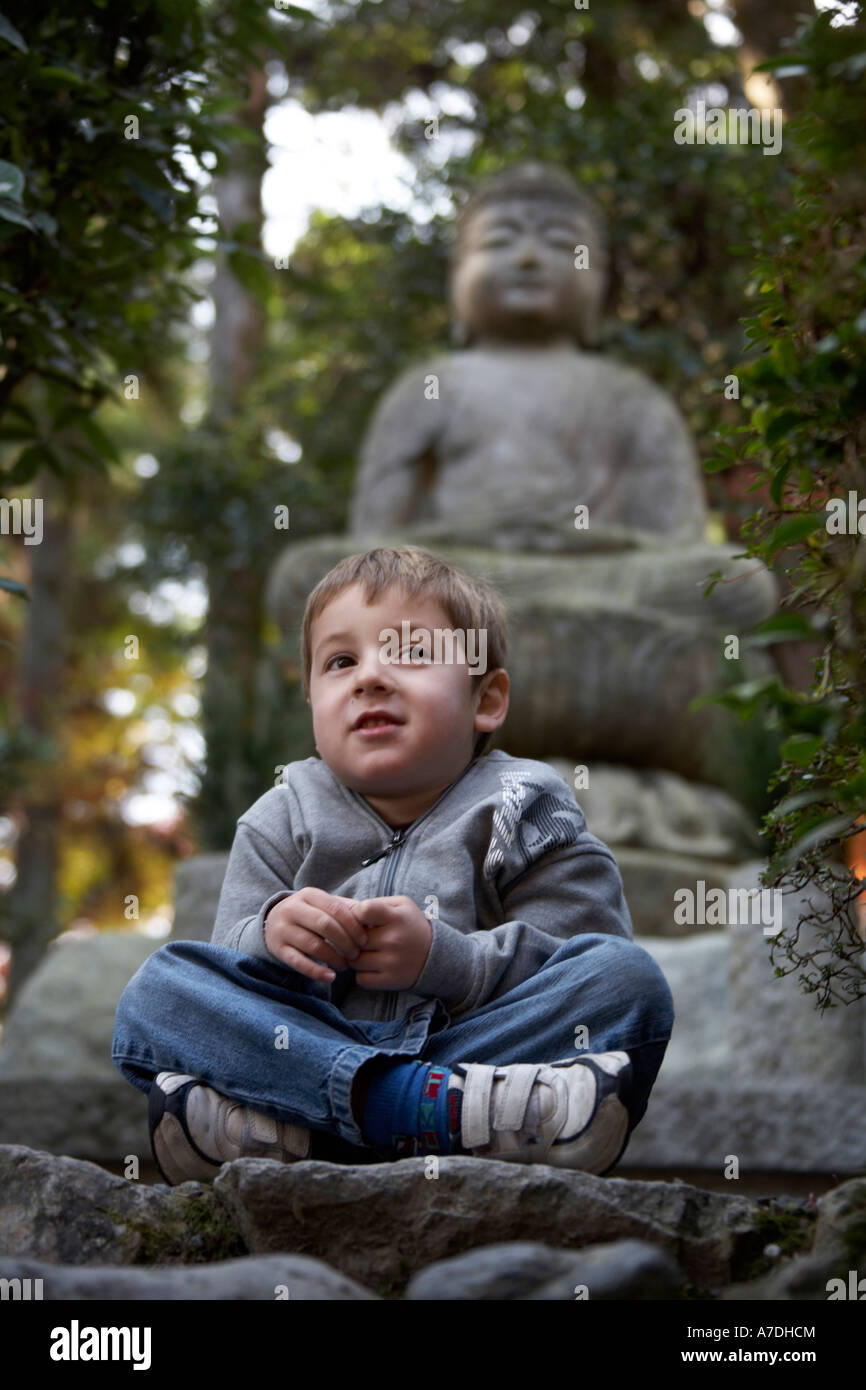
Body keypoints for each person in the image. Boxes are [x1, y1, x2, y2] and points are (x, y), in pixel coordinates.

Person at [112, 545, 675, 1185]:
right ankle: (415, 1110)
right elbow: (228, 963)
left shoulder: (522, 801)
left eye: (408, 653)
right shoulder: (282, 812)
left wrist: (449, 961)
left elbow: (578, 945)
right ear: (313, 702)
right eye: (341, 661)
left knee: (625, 981)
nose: (369, 677)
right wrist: (271, 935)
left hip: (470, 1055)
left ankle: (310, 1125)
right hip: (312, 1049)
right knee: (160, 988)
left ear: (486, 699)